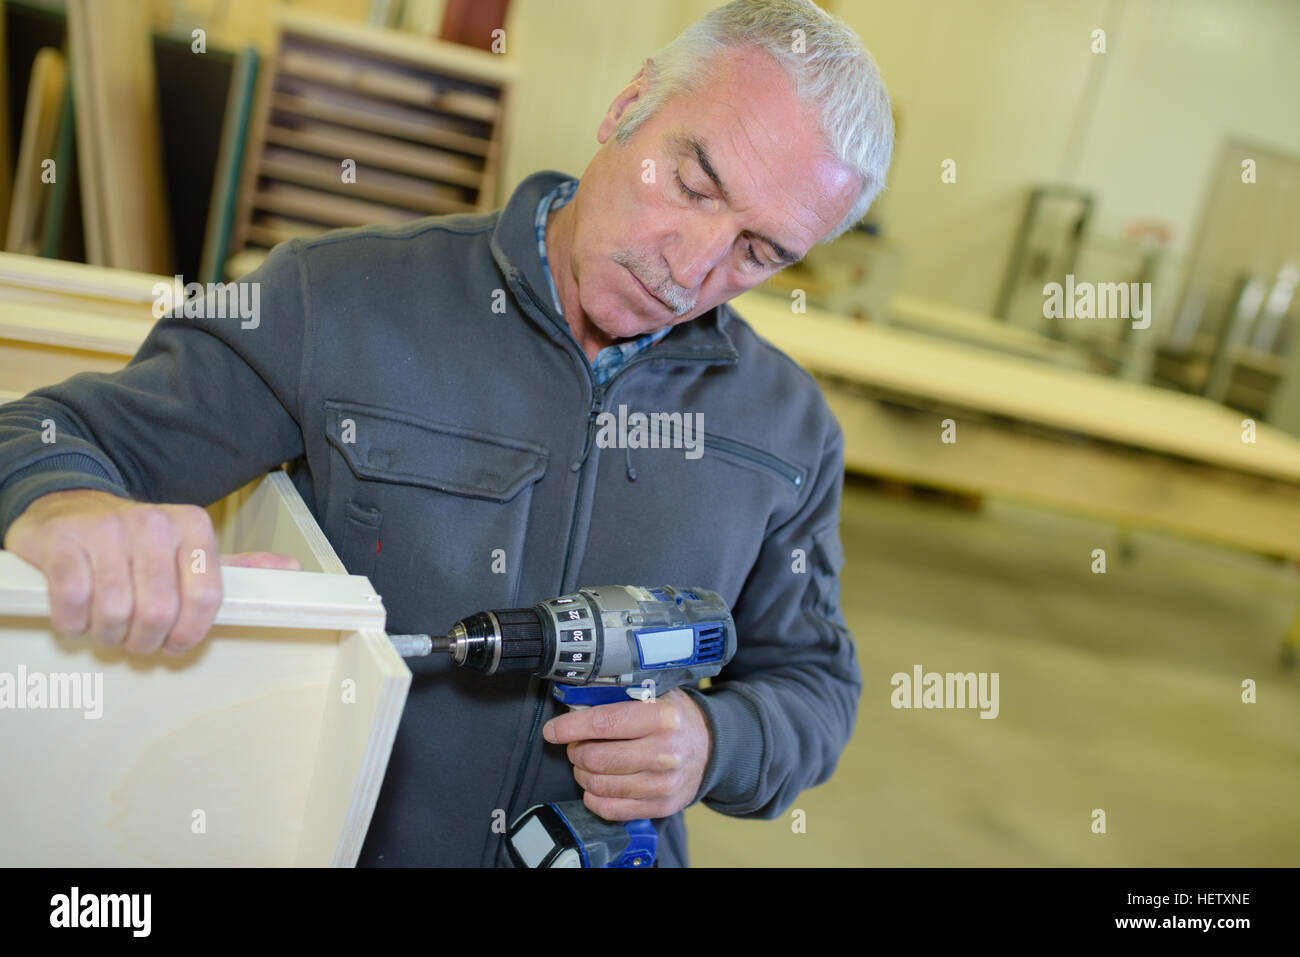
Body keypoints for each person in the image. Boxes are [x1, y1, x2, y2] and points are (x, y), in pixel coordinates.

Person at [0, 0, 892, 866]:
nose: (691, 268)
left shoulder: (789, 429)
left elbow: (814, 682)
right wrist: (67, 504)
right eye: (694, 185)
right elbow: (50, 427)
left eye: (759, 252)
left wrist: (715, 740)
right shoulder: (341, 298)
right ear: (629, 104)